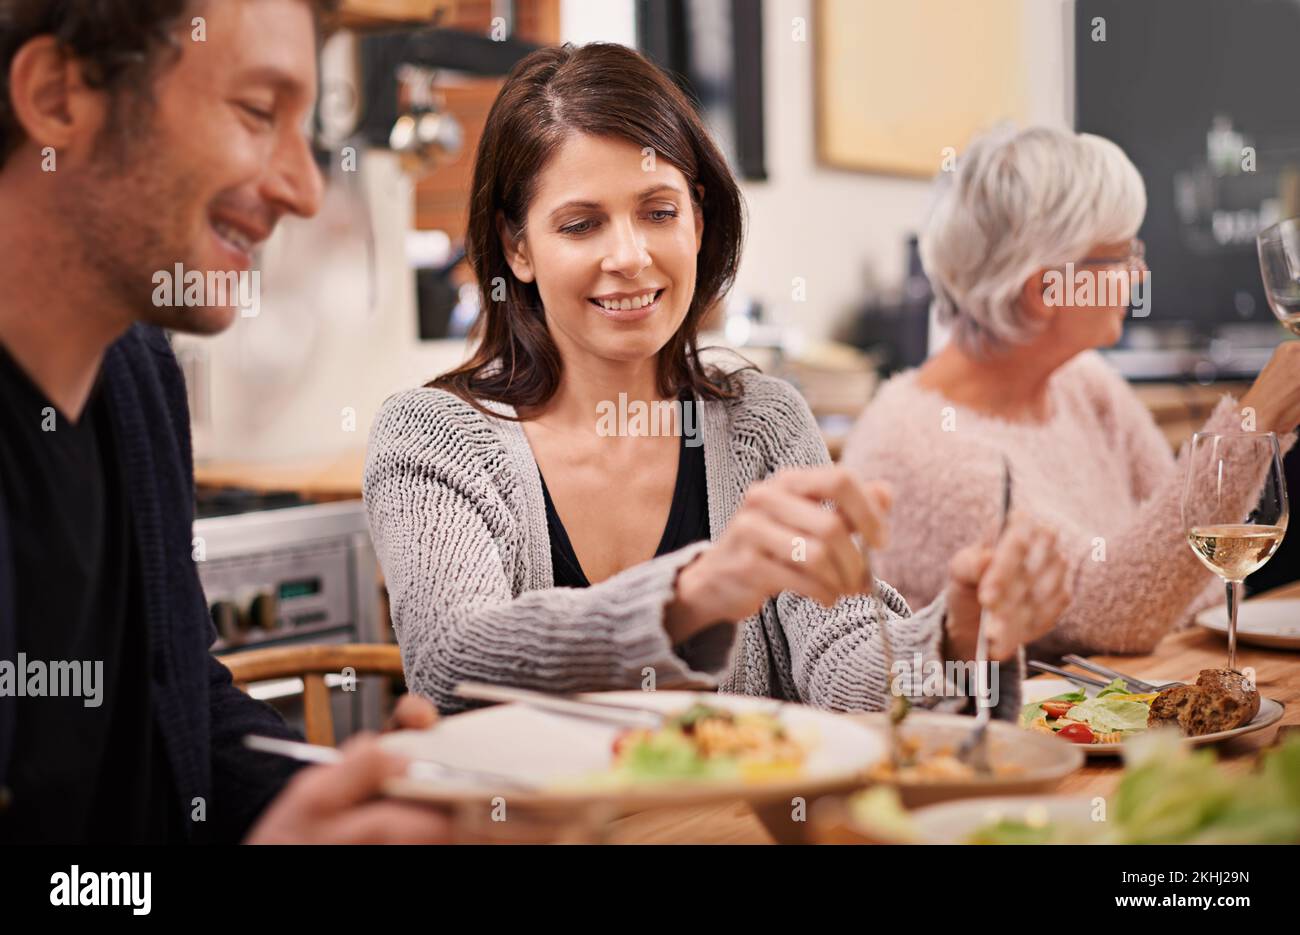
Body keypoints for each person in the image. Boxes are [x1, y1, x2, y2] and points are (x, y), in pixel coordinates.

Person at [363, 44, 1073, 716]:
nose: (631, 256)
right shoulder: (433, 438)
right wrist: (693, 593)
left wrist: (950, 637)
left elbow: (841, 659)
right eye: (581, 225)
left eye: (658, 212)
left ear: (699, 221)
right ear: (518, 246)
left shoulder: (764, 422)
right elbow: (452, 669)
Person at [0, 0, 448, 844]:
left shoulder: (135, 375)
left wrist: (350, 799)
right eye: (255, 113)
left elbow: (186, 710)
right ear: (59, 98)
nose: (304, 190)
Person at [842, 126, 1300, 658]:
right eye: (1124, 257)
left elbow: (1207, 574)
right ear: (1043, 291)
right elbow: (1113, 615)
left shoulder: (1083, 383)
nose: (1141, 275)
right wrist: (1254, 422)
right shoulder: (917, 448)